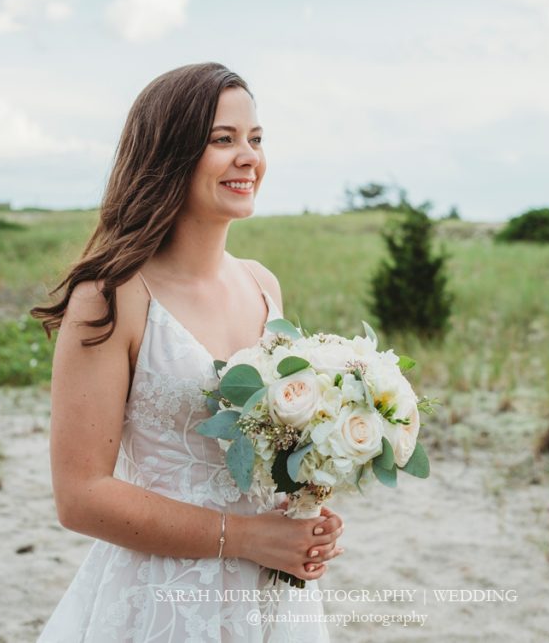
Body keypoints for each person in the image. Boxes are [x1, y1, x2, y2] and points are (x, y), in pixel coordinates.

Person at [31, 62, 343, 641]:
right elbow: (80, 497)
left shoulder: (262, 284)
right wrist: (248, 537)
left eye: (255, 139)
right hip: (163, 595)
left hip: (270, 590)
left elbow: (268, 447)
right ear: (169, 154)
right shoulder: (110, 297)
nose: (248, 156)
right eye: (222, 140)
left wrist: (305, 508)